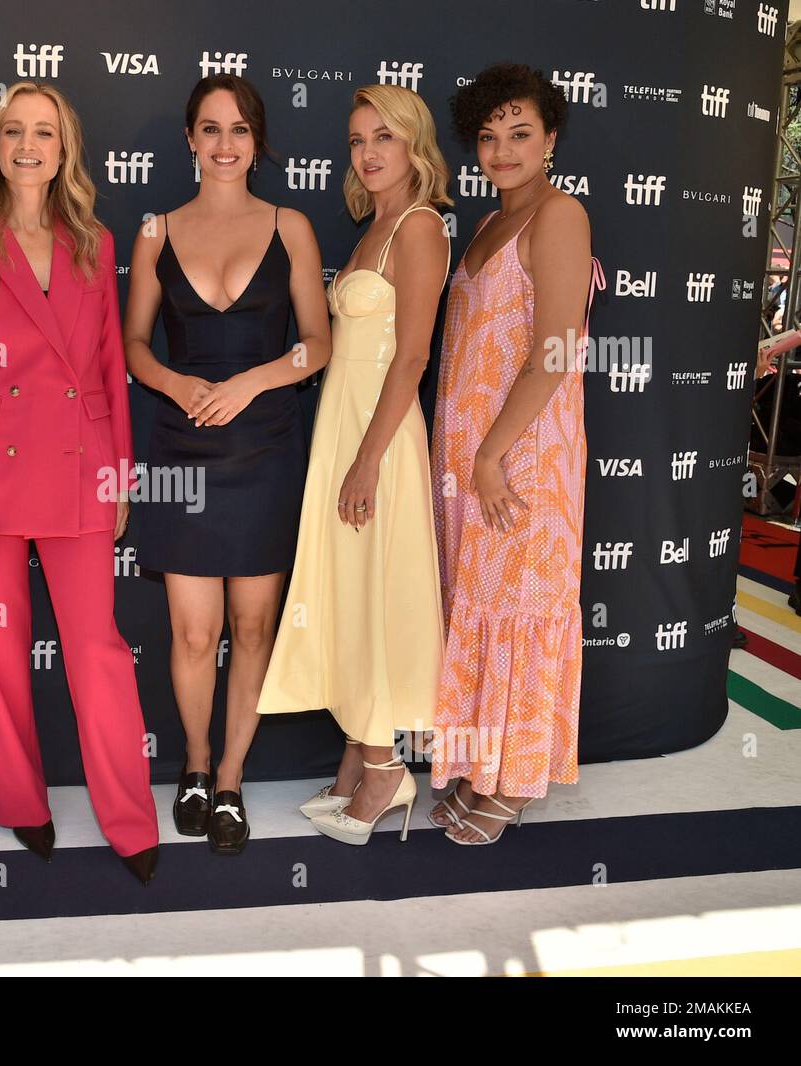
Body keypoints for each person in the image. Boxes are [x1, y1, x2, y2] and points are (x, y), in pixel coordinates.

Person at [0, 81, 159, 884]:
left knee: (98, 650)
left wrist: (121, 478)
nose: (30, 146)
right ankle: (21, 803)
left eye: (46, 133)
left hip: (81, 473)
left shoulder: (93, 242)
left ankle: (130, 820)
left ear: (66, 150)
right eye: (15, 131)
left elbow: (105, 373)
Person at [124, 75, 331, 854]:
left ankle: (235, 781)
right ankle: (197, 766)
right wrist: (178, 382)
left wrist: (255, 379)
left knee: (253, 627)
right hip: (184, 449)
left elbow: (320, 340)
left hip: (268, 444)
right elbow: (134, 346)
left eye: (239, 129)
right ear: (189, 140)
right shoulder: (155, 232)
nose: (223, 143)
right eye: (209, 128)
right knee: (189, 632)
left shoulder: (293, 228)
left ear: (258, 142)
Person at [256, 84, 452, 846]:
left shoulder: (420, 227)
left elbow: (411, 358)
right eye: (356, 140)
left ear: (414, 146)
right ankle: (355, 764)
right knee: (350, 592)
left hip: (382, 436)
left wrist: (368, 462)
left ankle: (386, 771)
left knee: (373, 592)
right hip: (344, 426)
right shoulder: (369, 228)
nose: (368, 153)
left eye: (384, 138)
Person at [427, 64, 595, 845]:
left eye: (519, 133)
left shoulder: (559, 216)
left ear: (550, 137)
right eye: (489, 138)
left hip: (521, 456)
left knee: (519, 611)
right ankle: (474, 766)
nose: (503, 150)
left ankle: (516, 781)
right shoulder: (486, 224)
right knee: (477, 607)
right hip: (470, 454)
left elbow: (557, 347)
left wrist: (492, 456)